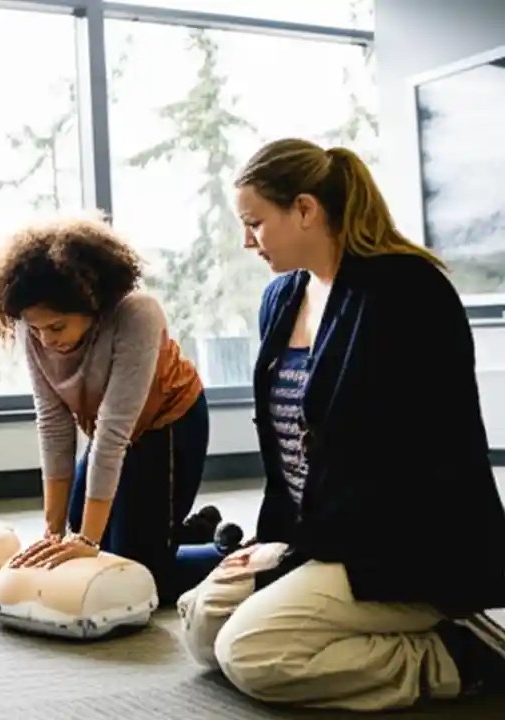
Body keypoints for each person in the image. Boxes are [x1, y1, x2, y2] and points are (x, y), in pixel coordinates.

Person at [193, 138, 505, 711]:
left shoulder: (406, 291)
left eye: (255, 223)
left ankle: (459, 655)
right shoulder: (282, 297)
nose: (247, 241)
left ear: (305, 209)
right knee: (201, 628)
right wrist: (277, 542)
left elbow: (404, 470)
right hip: (322, 537)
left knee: (251, 653)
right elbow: (291, 459)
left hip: (401, 545)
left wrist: (292, 556)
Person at [0, 214, 242, 606]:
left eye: (56, 327)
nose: (45, 340)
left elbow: (113, 433)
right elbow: (54, 426)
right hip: (111, 430)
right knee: (80, 542)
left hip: (167, 422)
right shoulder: (32, 324)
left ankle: (229, 552)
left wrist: (87, 542)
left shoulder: (137, 314)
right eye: (35, 329)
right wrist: (53, 535)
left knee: (135, 574)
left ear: (93, 305)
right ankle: (182, 532)